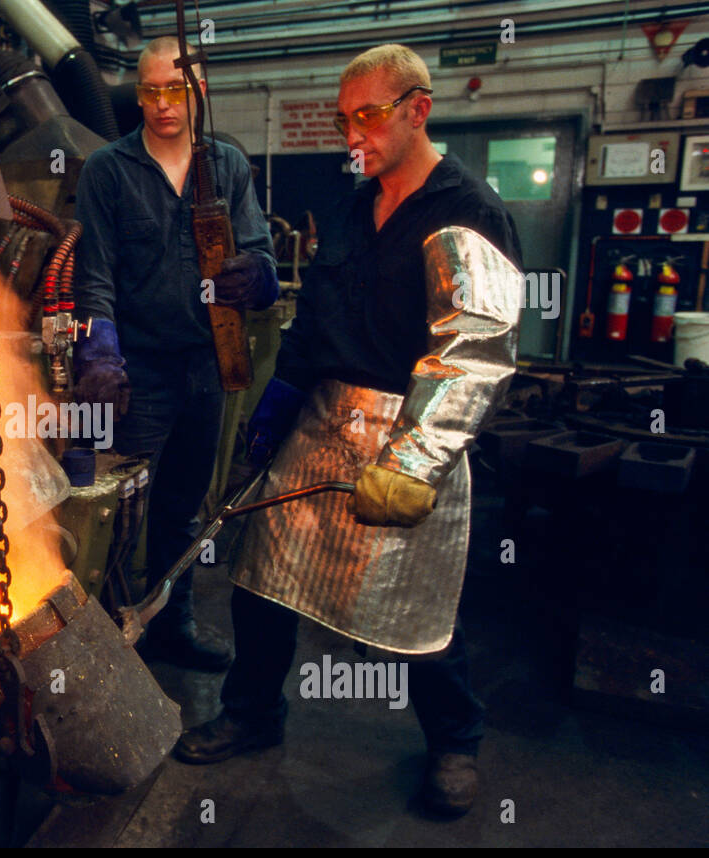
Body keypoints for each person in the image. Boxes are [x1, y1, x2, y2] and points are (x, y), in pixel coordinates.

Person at [174, 43, 523, 818]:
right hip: (325, 415)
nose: (351, 135)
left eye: (367, 116)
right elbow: (319, 319)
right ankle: (254, 713)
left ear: (417, 109)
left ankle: (456, 740)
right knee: (260, 575)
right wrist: (279, 400)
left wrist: (419, 458)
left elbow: (475, 345)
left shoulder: (463, 210)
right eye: (343, 119)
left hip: (410, 428)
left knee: (418, 606)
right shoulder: (351, 206)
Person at [72, 36, 279, 671]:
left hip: (208, 366)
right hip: (140, 371)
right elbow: (95, 273)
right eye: (152, 91)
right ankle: (101, 634)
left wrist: (258, 276)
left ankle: (169, 623)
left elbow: (262, 250)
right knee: (115, 512)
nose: (165, 104)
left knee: (181, 511)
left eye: (178, 90)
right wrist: (101, 349)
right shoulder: (108, 170)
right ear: (138, 95)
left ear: (199, 93)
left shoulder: (228, 167)